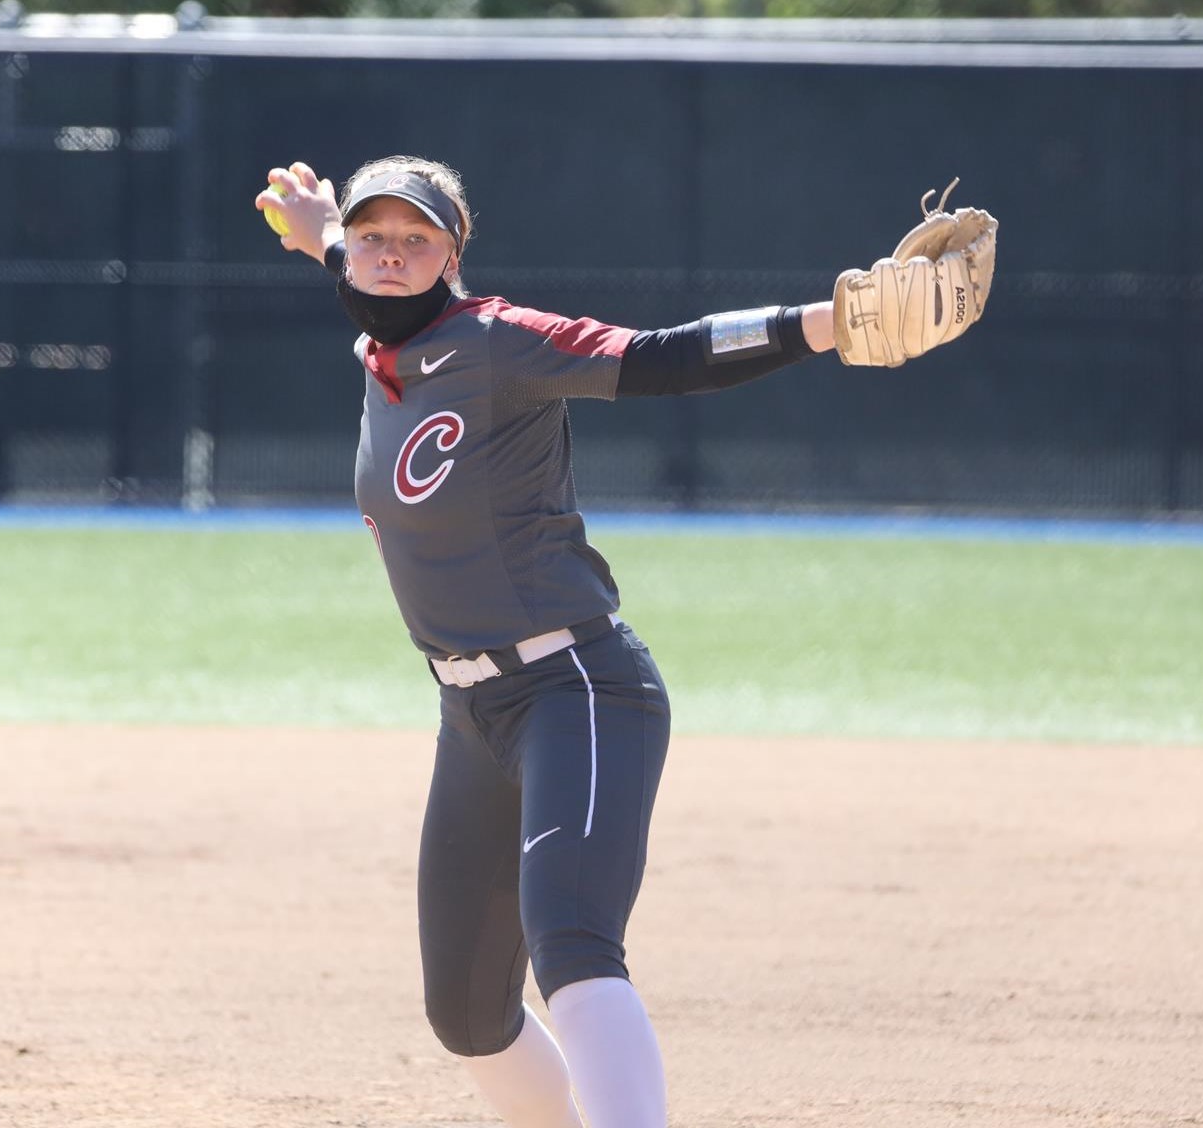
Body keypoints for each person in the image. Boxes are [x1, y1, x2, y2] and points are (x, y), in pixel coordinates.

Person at [253, 156, 987, 1128]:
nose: (390, 255)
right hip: (470, 715)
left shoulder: (498, 342)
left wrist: (831, 322)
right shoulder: (378, 327)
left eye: (416, 239)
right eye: (371, 238)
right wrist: (317, 228)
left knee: (572, 945)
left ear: (453, 256)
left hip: (576, 690)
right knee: (465, 1013)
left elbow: (660, 356)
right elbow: (353, 267)